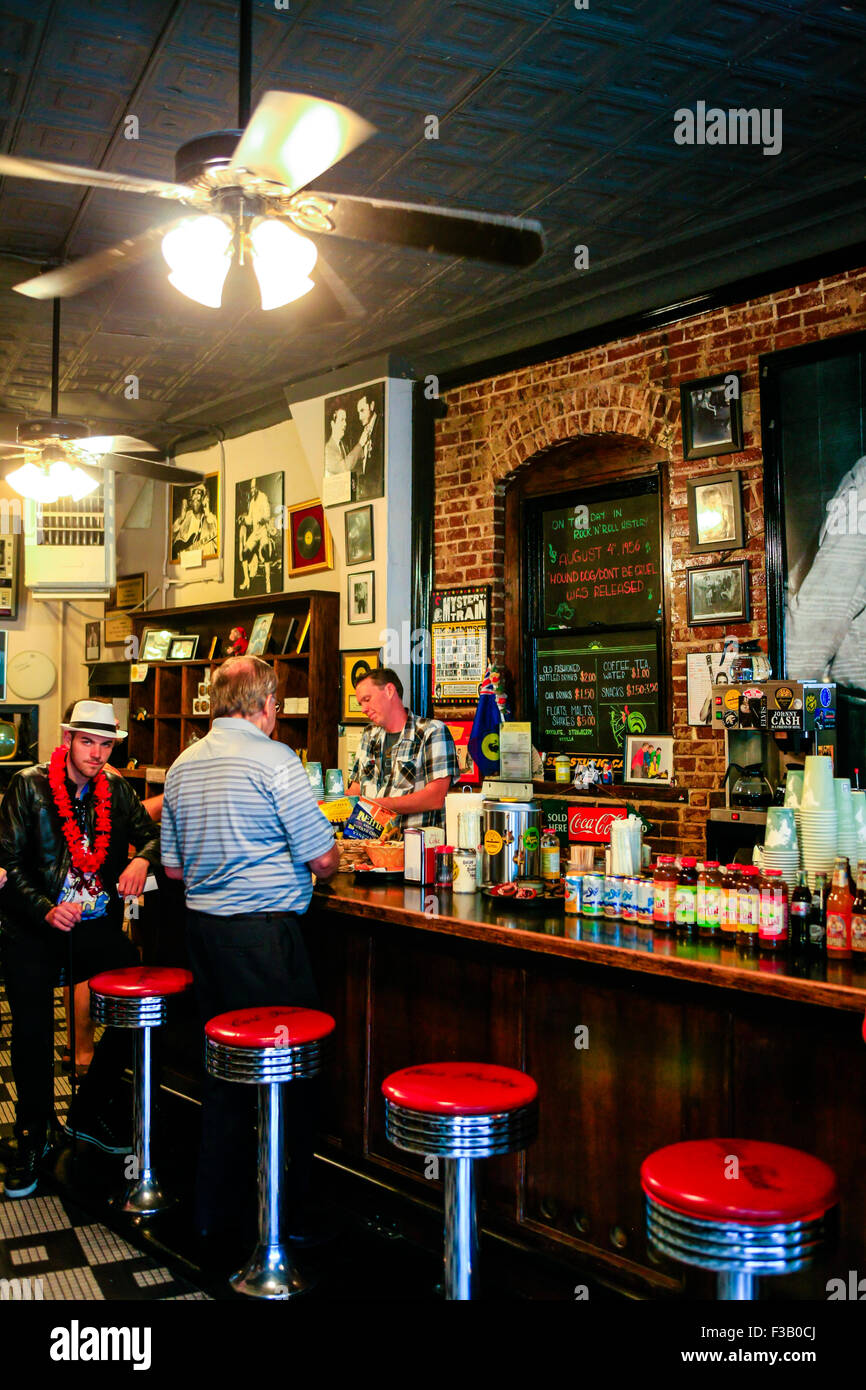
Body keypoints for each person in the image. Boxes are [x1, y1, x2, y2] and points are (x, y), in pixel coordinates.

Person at [160, 656, 340, 1246]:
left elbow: (173, 867)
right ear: (266, 705)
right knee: (290, 1076)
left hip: (205, 935)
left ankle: (215, 1212)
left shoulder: (182, 763)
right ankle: (288, 1217)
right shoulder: (276, 759)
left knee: (224, 1073)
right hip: (265, 939)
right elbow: (322, 859)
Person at [0, 700, 161, 1198]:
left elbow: (150, 835)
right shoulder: (28, 785)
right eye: (87, 742)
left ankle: (89, 1110)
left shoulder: (116, 788)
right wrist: (46, 907)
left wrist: (144, 862)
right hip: (34, 927)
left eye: (105, 744)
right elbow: (7, 864)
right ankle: (33, 1133)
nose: (95, 753)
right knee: (31, 1033)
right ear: (67, 740)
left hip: (95, 927)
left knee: (139, 1007)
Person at [348, 668, 460, 829]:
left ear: (389, 690)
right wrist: (329, 806)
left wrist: (375, 805)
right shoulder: (368, 734)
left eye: (367, 699)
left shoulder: (432, 732)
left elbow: (435, 797)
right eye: (361, 703)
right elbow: (355, 790)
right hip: (369, 845)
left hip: (415, 846)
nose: (363, 709)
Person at [237, 477, 277, 594]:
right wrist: (243, 519)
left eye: (254, 487)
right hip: (255, 532)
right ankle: (246, 580)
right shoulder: (252, 502)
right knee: (244, 553)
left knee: (265, 552)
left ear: (258, 487)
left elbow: (268, 515)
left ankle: (267, 583)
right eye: (251, 488)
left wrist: (262, 519)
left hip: (263, 530)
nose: (252, 490)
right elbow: (250, 520)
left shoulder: (263, 497)